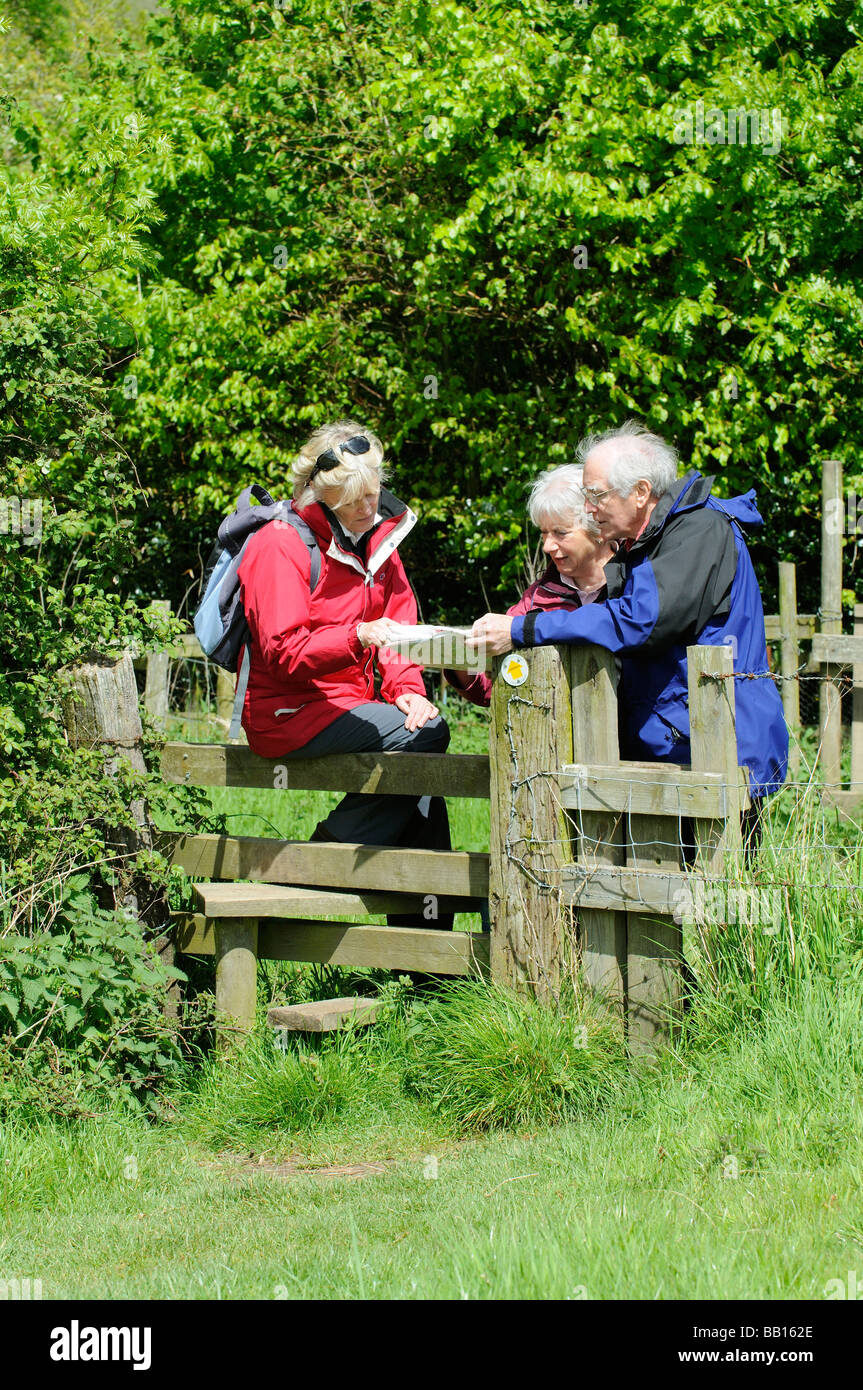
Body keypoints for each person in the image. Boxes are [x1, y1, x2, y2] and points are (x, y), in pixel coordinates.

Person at [471, 420, 789, 854]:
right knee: (657, 899)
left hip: (713, 747)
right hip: (679, 744)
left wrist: (524, 629)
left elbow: (638, 621)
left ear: (641, 492)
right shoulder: (652, 541)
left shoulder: (698, 533)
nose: (589, 506)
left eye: (596, 494)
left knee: (719, 893)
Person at [236, 420, 452, 890]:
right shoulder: (280, 543)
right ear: (320, 494)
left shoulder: (380, 546)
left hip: (348, 705)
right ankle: (310, 868)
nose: (368, 507)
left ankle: (430, 945)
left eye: (372, 493)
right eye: (353, 499)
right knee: (427, 740)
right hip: (286, 712)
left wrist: (409, 692)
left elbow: (399, 632)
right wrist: (356, 637)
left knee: (423, 786)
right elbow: (283, 652)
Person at [447, 463, 617, 705]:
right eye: (543, 533)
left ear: (597, 527)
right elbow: (496, 688)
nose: (547, 546)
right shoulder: (537, 597)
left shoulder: (633, 582)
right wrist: (459, 660)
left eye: (560, 533)